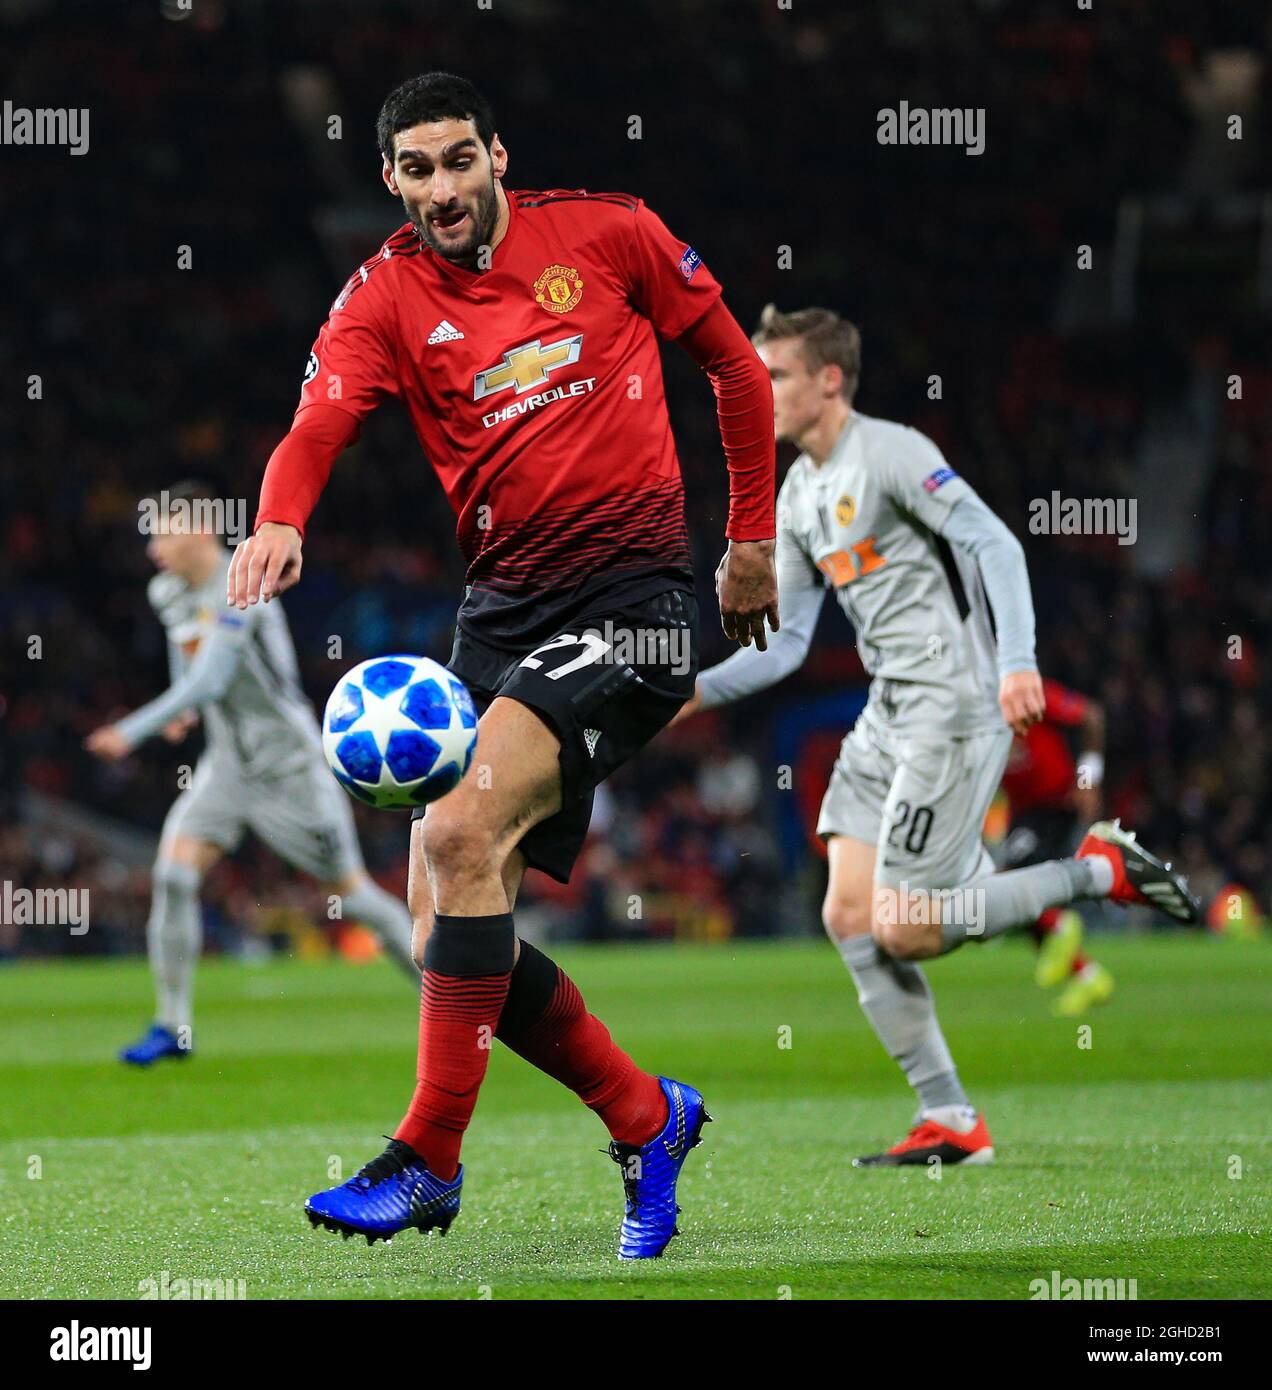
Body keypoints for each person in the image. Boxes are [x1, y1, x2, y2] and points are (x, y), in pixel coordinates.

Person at [226, 73, 779, 1257]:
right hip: (502, 616)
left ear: (497, 156)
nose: (443, 188)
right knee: (444, 914)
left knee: (459, 837)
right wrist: (281, 517)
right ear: (392, 181)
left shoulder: (611, 230)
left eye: (459, 161)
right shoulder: (380, 296)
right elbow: (318, 424)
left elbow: (736, 368)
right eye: (417, 170)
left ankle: (426, 1158)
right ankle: (647, 1115)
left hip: (635, 602)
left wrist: (751, 544)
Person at [676, 304, 1199, 1167]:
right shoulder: (799, 493)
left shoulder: (893, 453)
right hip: (888, 710)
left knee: (908, 927)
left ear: (830, 380)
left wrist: (1018, 662)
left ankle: (1095, 871)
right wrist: (696, 690)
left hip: (953, 707)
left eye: (774, 378)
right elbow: (792, 646)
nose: (757, 395)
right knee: (848, 912)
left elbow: (996, 544)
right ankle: (951, 1119)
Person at [85, 481, 417, 1066]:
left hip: (288, 766)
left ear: (198, 529)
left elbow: (212, 679)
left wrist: (129, 731)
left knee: (354, 896)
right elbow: (188, 665)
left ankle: (447, 1004)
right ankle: (172, 1027)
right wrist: (182, 710)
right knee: (174, 877)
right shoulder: (167, 591)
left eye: (162, 533)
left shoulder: (245, 586)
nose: (153, 549)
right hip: (228, 766)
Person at [1000, 679, 1115, 1016]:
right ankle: (1088, 977)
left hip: (1055, 803)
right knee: (1023, 913)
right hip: (1023, 814)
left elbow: (1092, 715)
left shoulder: (1021, 690)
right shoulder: (967, 713)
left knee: (1013, 885)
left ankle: (1064, 924)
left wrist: (1088, 780)